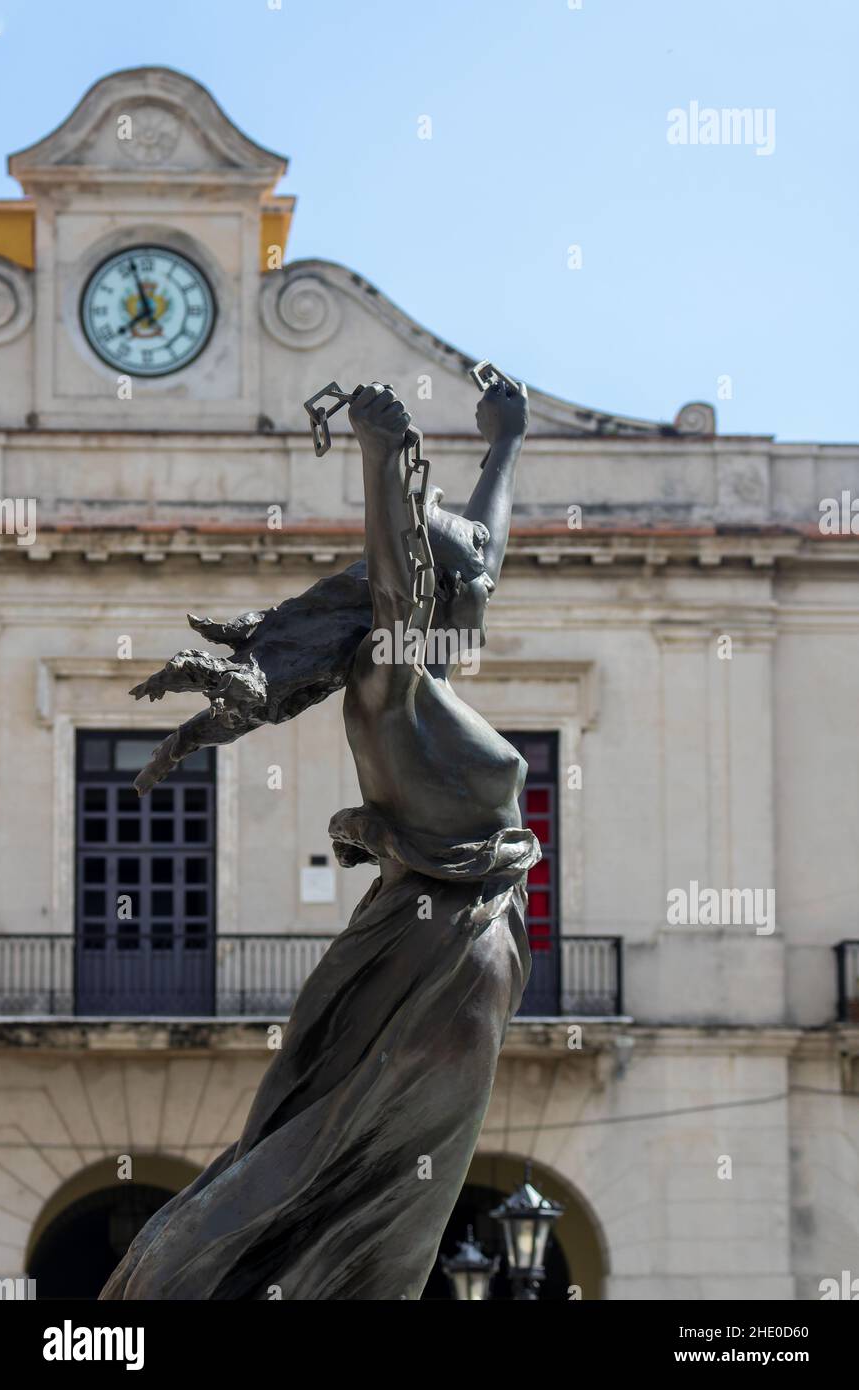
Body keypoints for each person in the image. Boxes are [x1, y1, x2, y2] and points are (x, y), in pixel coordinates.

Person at [100, 380, 540, 1300]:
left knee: (385, 1187)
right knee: (353, 1170)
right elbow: (393, 582)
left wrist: (505, 444)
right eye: (465, 582)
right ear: (432, 592)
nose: (484, 589)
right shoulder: (392, 694)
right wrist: (383, 468)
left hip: (465, 955)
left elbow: (483, 551)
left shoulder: (434, 686)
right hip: (438, 958)